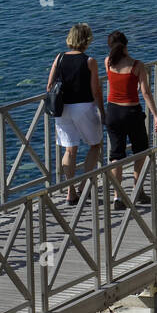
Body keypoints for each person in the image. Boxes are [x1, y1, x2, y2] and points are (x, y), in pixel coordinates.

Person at [46, 23, 105, 206]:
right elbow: (96, 90)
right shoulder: (90, 61)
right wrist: (102, 111)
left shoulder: (60, 58)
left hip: (63, 110)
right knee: (95, 145)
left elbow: (49, 87)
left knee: (70, 149)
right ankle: (83, 186)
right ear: (87, 39)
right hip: (83, 107)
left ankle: (70, 192)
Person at [104, 30, 157, 209]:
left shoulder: (107, 62)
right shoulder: (137, 65)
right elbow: (145, 92)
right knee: (141, 152)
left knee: (116, 156)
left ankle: (117, 197)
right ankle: (138, 190)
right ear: (126, 45)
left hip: (112, 112)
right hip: (132, 113)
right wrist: (156, 116)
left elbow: (116, 84)